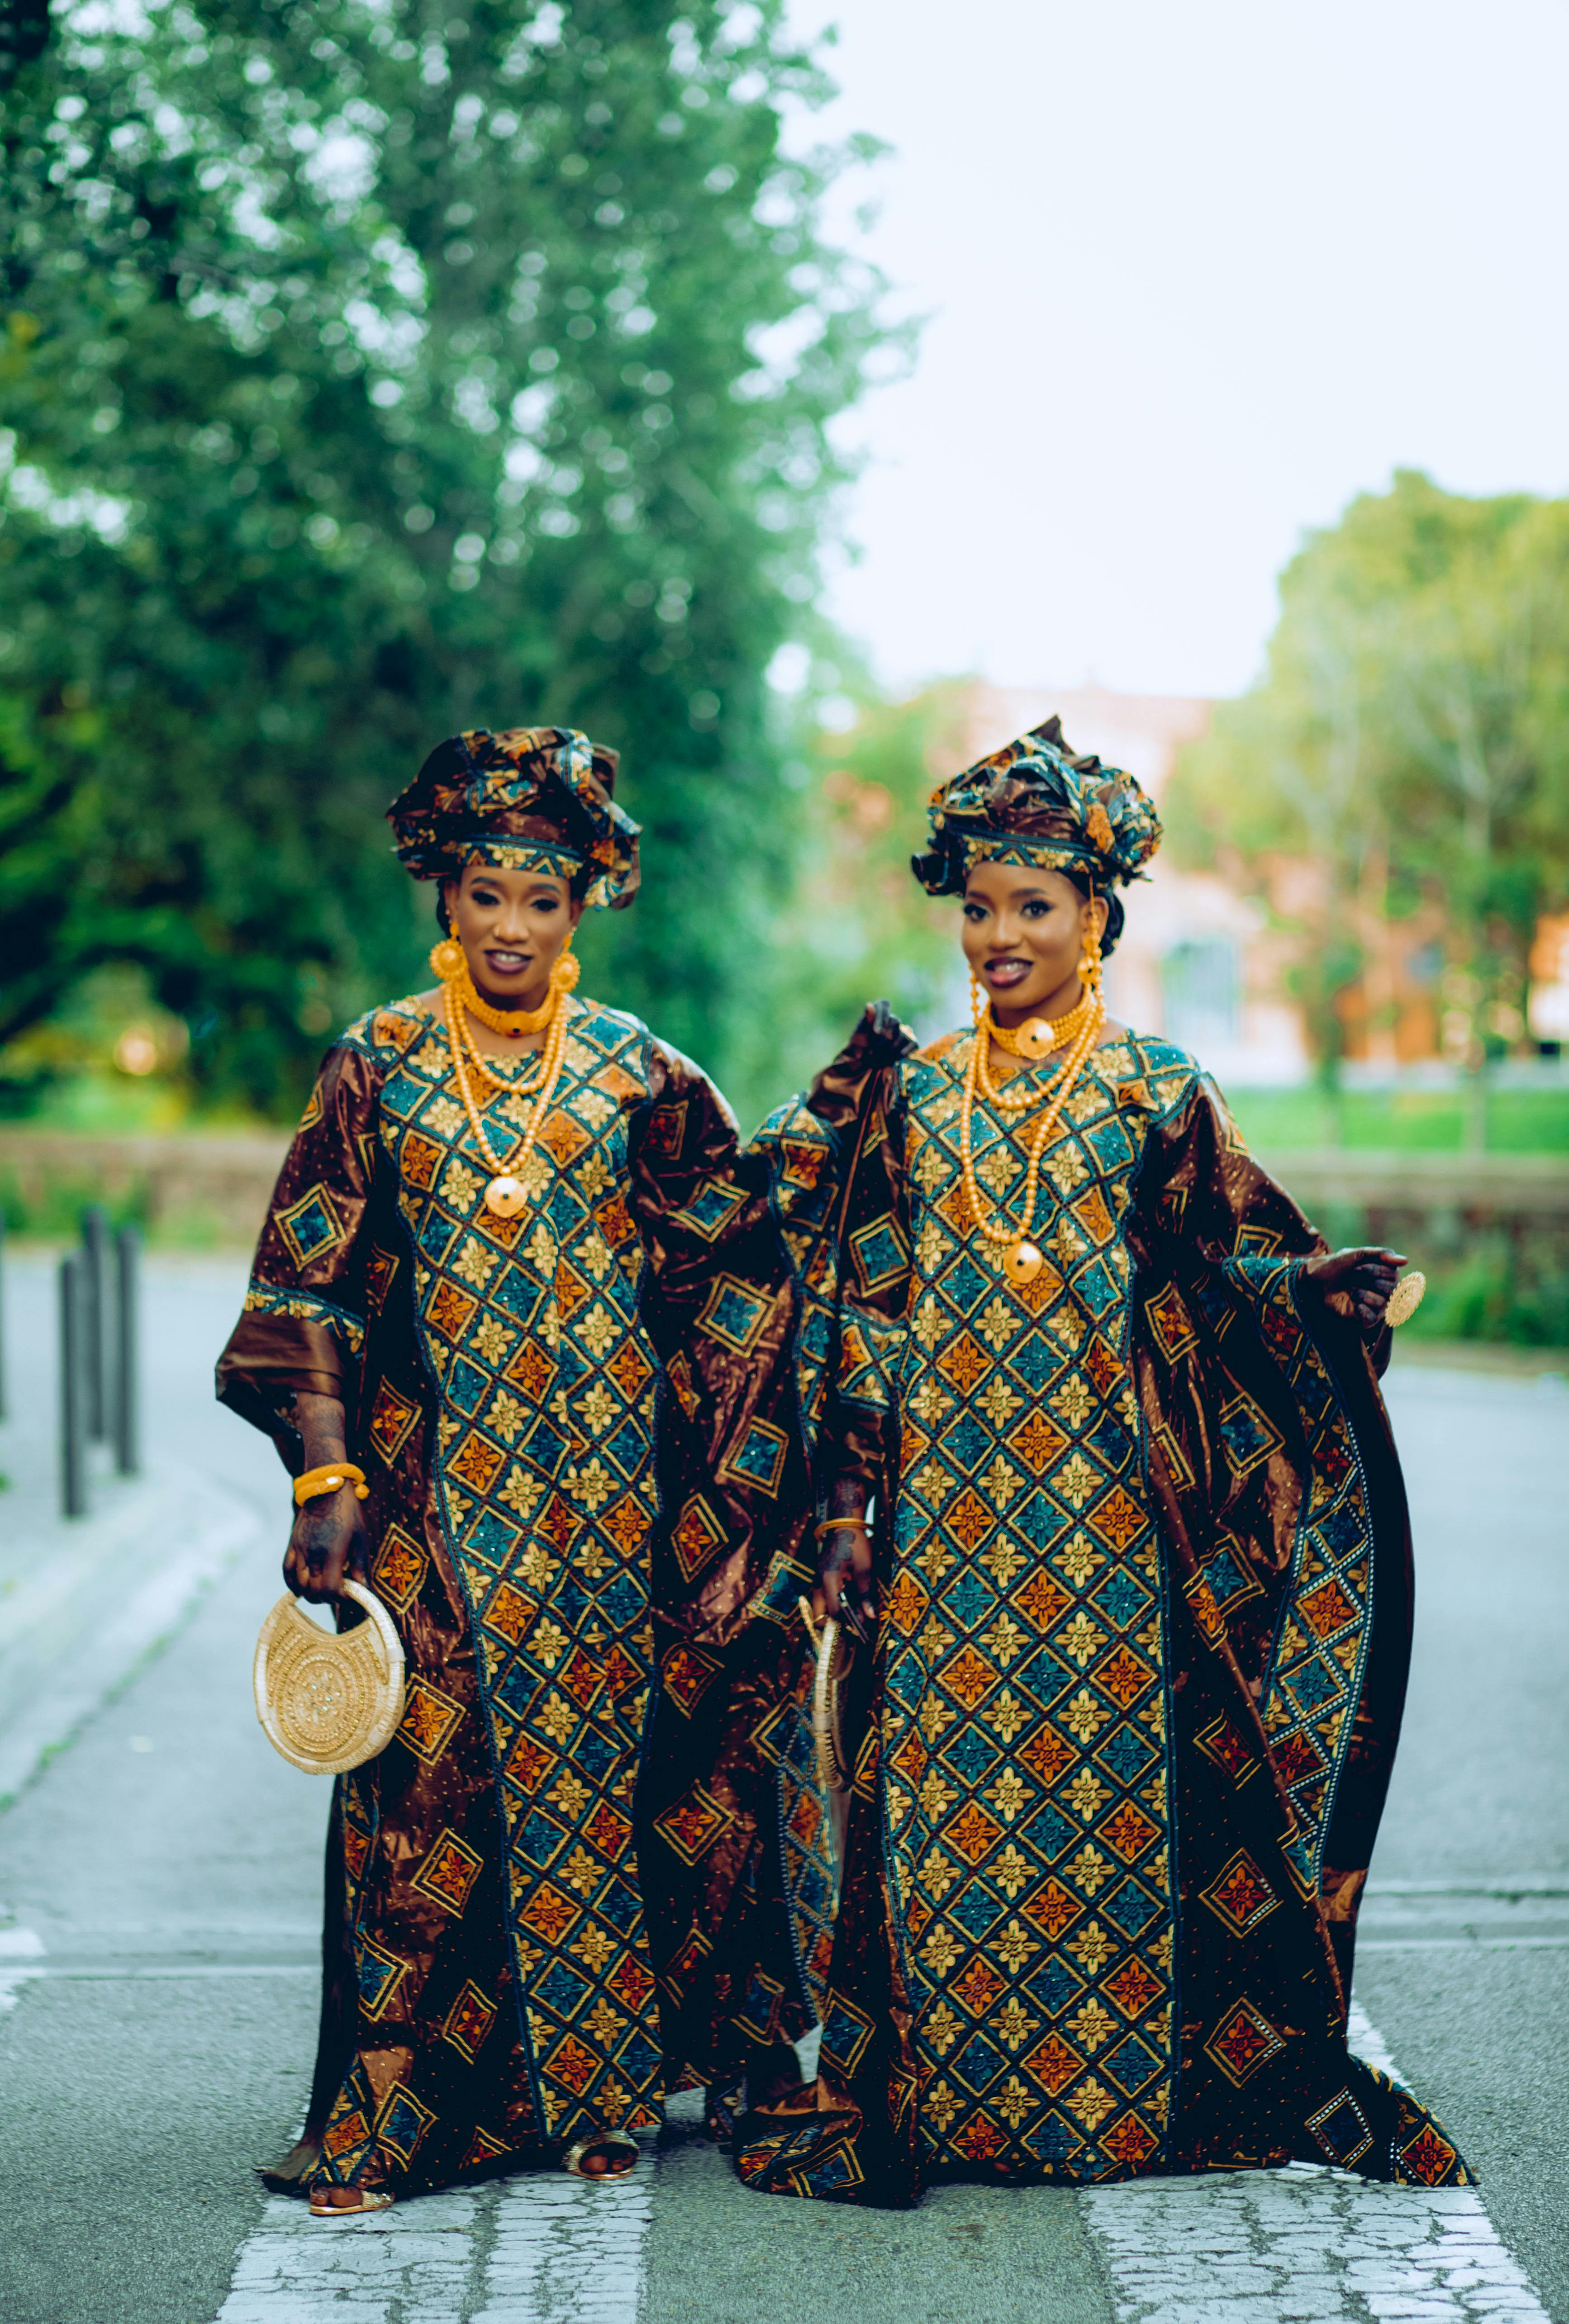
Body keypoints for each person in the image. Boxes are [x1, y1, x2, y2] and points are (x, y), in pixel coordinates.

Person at [736, 716, 1469, 2205]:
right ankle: (948, 2104)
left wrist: (1306, 1297)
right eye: (980, 907)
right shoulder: (916, 1098)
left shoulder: (1155, 1091)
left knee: (1102, 1809)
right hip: (943, 1524)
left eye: (1034, 907)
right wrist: (848, 1505)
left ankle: (1103, 2109)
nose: (998, 935)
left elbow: (1223, 1268)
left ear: (1099, 921)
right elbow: (862, 1311)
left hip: (1108, 1527)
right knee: (942, 1813)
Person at [217, 726, 843, 2214]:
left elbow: (731, 1272)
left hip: (623, 1513)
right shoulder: (373, 1066)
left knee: (636, 1779)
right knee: (428, 1792)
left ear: (585, 905)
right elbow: (311, 1290)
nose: (509, 923)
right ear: (444, 892)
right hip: (437, 1513)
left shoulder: (642, 1076)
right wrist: (323, 1480)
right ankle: (402, 2113)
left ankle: (611, 2091)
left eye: (543, 897)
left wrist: (829, 1148)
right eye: (485, 890)